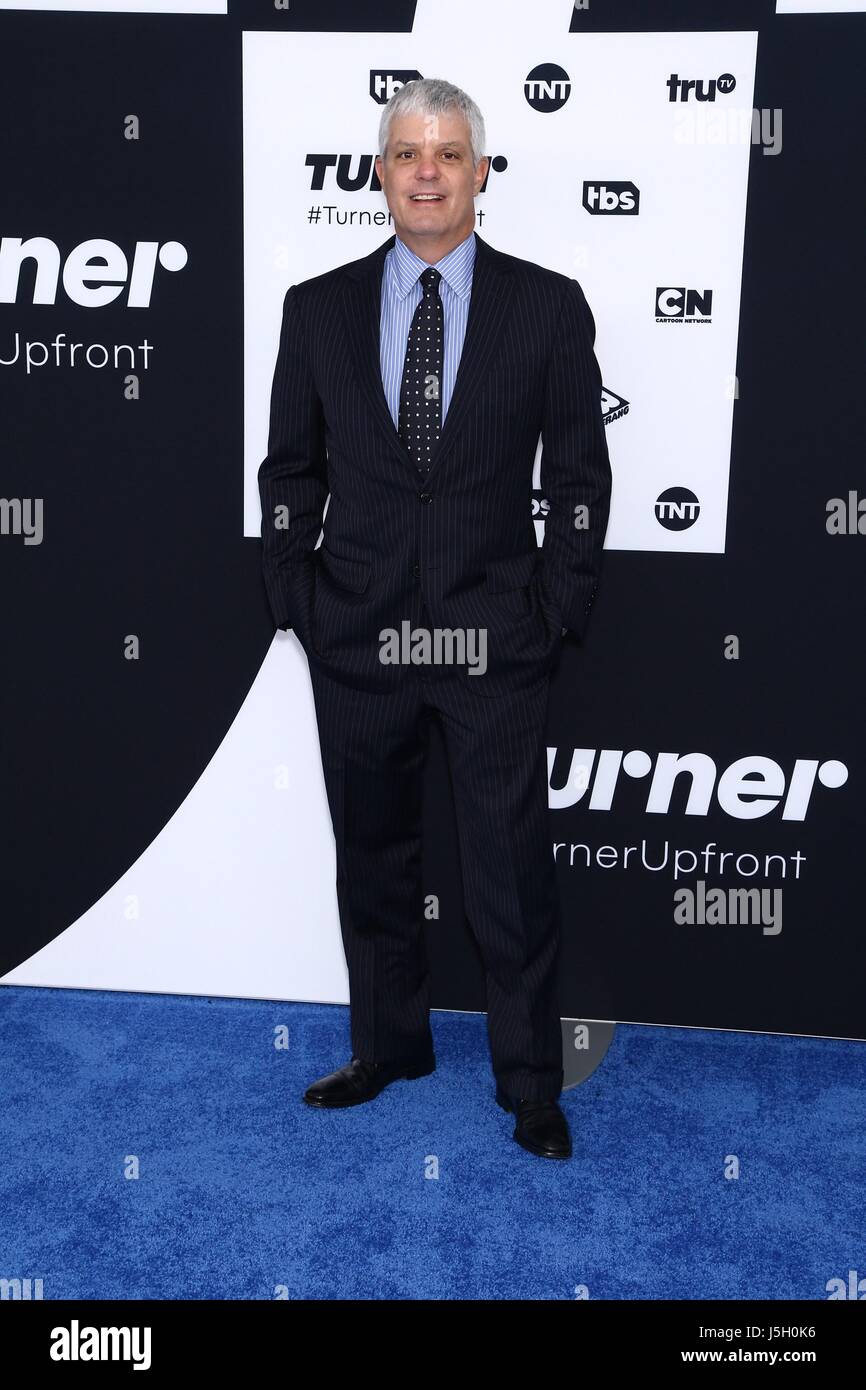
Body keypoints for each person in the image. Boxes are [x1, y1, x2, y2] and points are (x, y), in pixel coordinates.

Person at [258, 77, 611, 1159]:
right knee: (372, 858)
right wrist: (299, 600)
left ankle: (530, 1083)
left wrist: (554, 608)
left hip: (492, 642)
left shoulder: (546, 306)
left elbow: (581, 473)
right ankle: (390, 1045)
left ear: (478, 174)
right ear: (378, 172)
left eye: (448, 154)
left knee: (507, 873)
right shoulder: (313, 308)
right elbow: (289, 469)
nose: (426, 170)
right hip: (358, 640)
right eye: (407, 152)